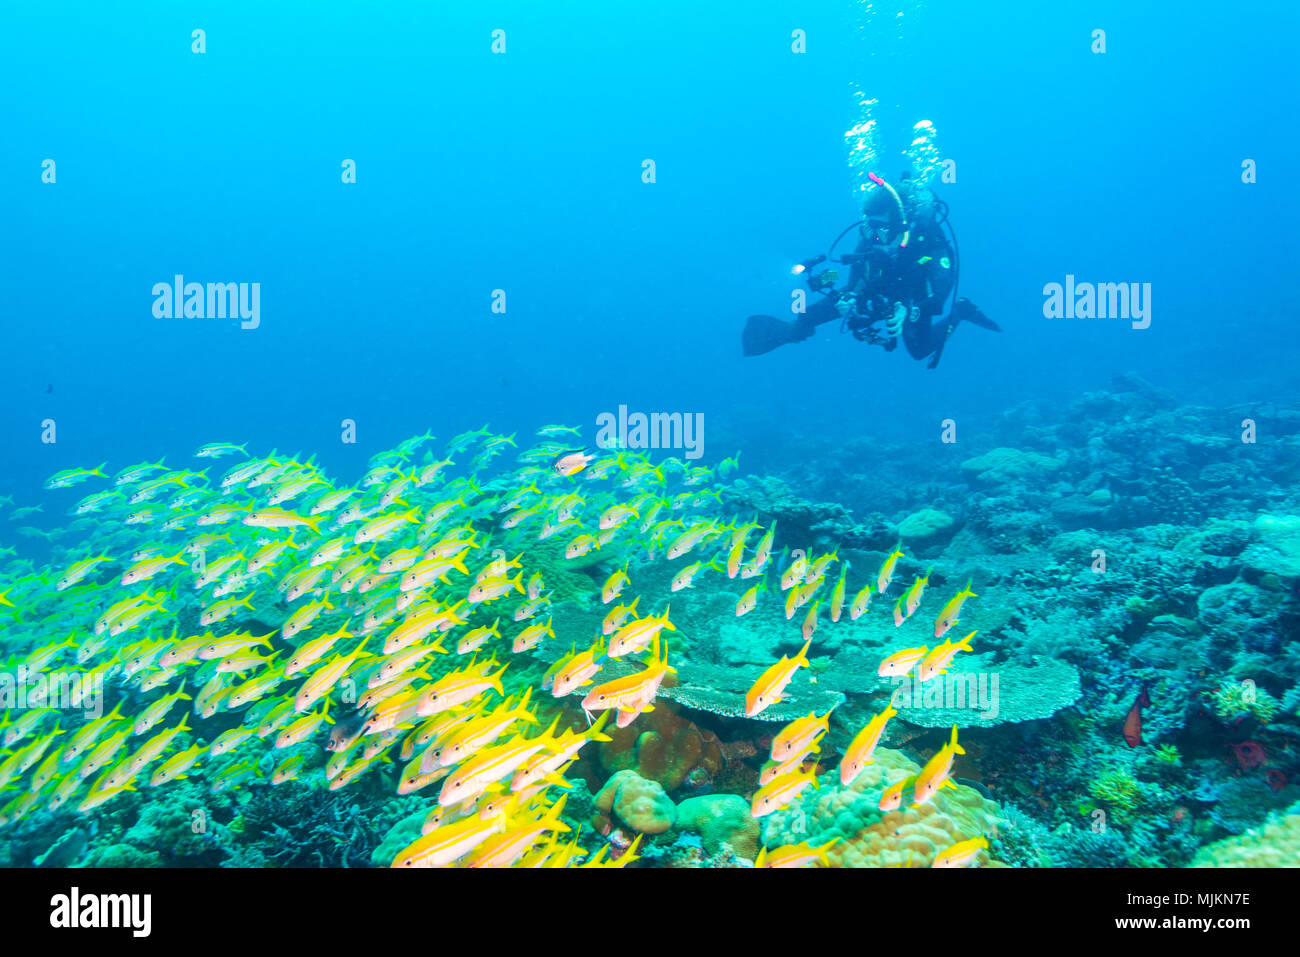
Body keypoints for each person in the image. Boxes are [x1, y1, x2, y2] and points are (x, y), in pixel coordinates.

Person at [741, 171, 1000, 368]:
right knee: (812, 317)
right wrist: (839, 304)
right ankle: (790, 329)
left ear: (901, 224)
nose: (874, 236)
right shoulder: (870, 235)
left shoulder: (929, 240)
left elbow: (941, 290)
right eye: (870, 227)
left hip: (918, 292)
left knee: (920, 351)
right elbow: (853, 286)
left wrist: (910, 308)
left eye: (882, 229)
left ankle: (962, 312)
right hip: (883, 287)